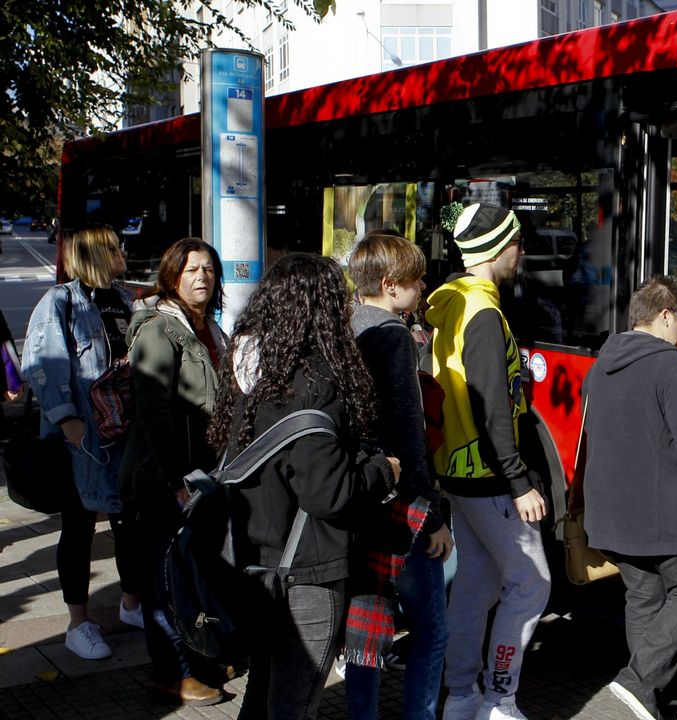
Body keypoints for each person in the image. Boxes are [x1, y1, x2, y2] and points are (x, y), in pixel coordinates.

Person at [206, 253, 400, 720]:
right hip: (306, 570)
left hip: (253, 560)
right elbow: (327, 493)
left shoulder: (248, 366)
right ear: (322, 307)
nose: (350, 307)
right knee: (294, 703)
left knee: (263, 689)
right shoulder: (316, 380)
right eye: (341, 299)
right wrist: (383, 471)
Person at [428, 203, 550, 720]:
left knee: (477, 585)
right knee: (531, 583)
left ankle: (461, 697)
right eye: (518, 243)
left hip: (460, 470)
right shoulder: (483, 311)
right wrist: (519, 480)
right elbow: (491, 405)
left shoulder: (455, 301)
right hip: (490, 476)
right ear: (499, 249)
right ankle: (500, 699)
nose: (522, 253)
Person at [583, 277, 677, 720]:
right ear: (664, 315)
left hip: (611, 517)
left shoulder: (602, 363)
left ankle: (647, 700)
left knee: (643, 597)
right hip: (667, 519)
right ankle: (637, 682)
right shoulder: (672, 367)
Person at [21, 225, 145, 661]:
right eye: (113, 247)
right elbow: (41, 360)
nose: (121, 252)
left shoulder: (129, 300)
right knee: (79, 528)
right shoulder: (62, 301)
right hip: (83, 440)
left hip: (128, 436)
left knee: (130, 524)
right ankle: (78, 622)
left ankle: (132, 604)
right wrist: (66, 417)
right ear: (93, 253)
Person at [345, 233, 454, 720]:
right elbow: (410, 436)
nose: (424, 287)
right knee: (431, 629)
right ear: (391, 285)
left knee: (366, 630)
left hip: (358, 497)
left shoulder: (344, 324)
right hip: (398, 508)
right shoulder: (391, 336)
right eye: (416, 279)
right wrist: (431, 518)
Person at [120, 238, 227, 705]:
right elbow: (153, 412)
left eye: (208, 269)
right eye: (191, 270)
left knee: (196, 574)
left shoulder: (207, 326)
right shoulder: (160, 328)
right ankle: (172, 672)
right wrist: (178, 479)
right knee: (165, 580)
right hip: (165, 481)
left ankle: (199, 657)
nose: (201, 277)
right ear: (172, 276)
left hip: (203, 474)